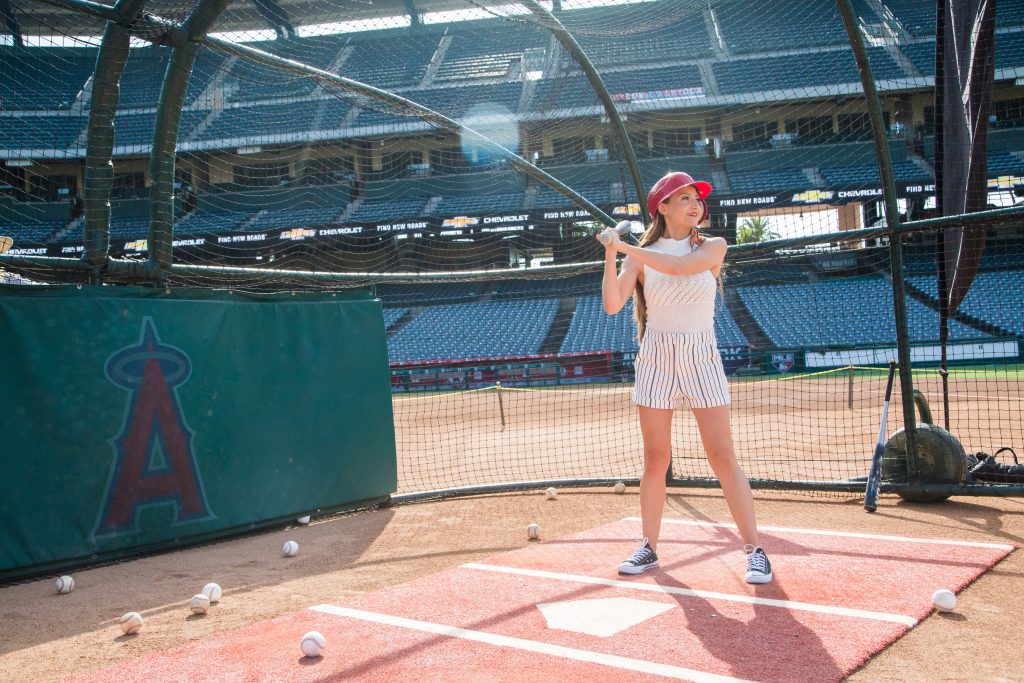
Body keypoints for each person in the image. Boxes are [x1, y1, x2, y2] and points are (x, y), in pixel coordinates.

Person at [596, 171, 772, 584]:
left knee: (722, 457)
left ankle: (755, 550)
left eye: (697, 198)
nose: (695, 205)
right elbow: (612, 304)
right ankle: (648, 547)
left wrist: (623, 245)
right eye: (685, 198)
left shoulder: (713, 246)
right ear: (663, 207)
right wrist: (611, 255)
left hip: (701, 356)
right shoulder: (639, 256)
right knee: (656, 459)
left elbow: (677, 268)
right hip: (656, 358)